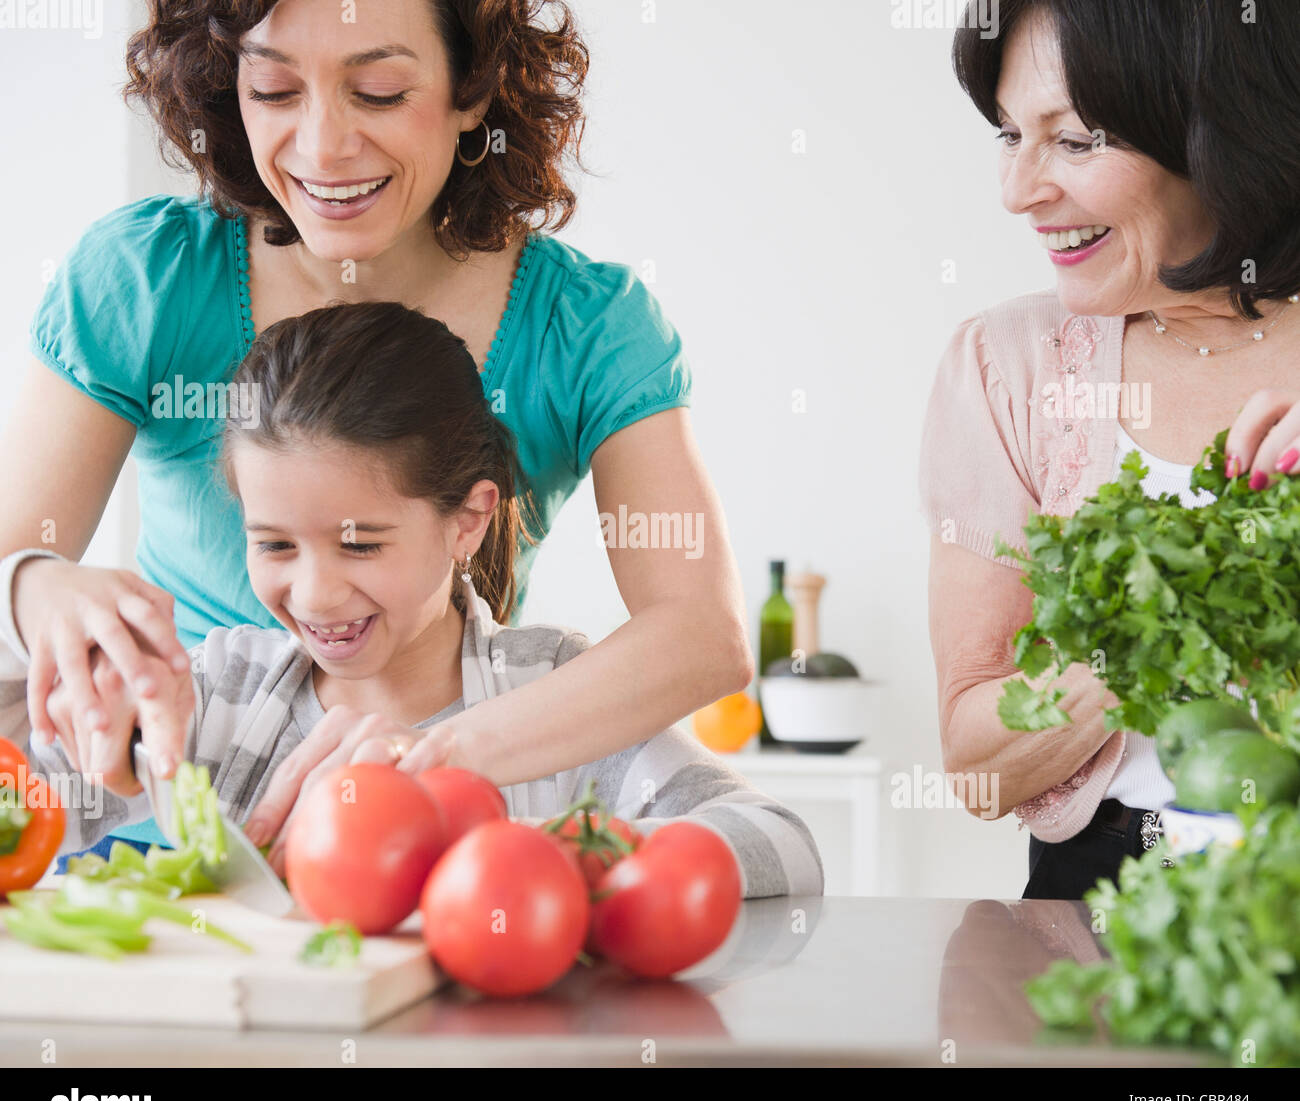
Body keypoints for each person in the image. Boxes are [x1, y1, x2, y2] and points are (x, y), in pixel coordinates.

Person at [4, 0, 752, 854]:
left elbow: (701, 635)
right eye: (275, 90)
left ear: (476, 90)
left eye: (383, 91)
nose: (322, 148)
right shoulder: (147, 279)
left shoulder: (587, 328)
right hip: (186, 804)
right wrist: (30, 586)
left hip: (410, 818)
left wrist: (434, 757)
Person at [0, 302, 823, 898]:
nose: (315, 592)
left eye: (361, 543)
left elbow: (782, 847)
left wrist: (514, 858)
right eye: (276, 544)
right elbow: (26, 812)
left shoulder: (557, 688)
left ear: (467, 520)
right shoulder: (214, 690)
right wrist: (32, 597)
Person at [920, 0, 1300, 899]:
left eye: (1078, 140)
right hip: (1105, 894)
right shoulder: (1007, 367)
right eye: (1012, 134)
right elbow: (978, 765)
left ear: (1221, 135)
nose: (1020, 190)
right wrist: (1156, 627)